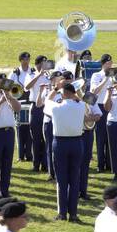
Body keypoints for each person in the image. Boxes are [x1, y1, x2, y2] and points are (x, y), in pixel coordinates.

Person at [45, 82, 95, 222]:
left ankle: (62, 213)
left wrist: (55, 88)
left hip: (60, 143)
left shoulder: (56, 106)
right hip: (76, 143)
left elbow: (47, 100)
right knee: (74, 179)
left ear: (64, 93)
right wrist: (75, 95)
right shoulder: (80, 106)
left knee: (61, 180)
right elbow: (84, 101)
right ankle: (73, 213)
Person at [24, 55, 51, 174]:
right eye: (44, 63)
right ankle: (36, 164)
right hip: (35, 107)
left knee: (46, 137)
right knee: (36, 137)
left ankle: (45, 164)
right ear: (39, 64)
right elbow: (26, 87)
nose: (46, 65)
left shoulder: (48, 76)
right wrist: (39, 75)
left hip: (46, 107)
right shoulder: (31, 74)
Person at [88, 54, 114, 173]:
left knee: (110, 136)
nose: (110, 65)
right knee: (100, 137)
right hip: (99, 106)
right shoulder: (96, 75)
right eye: (108, 63)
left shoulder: (113, 76)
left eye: (111, 63)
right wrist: (105, 79)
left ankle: (110, 163)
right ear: (103, 64)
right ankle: (100, 163)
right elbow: (94, 91)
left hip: (111, 106)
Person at [10, 52, 35, 162]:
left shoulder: (33, 71)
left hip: (30, 101)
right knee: (20, 128)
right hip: (19, 101)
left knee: (30, 128)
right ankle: (20, 155)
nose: (26, 61)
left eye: (28, 59)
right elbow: (10, 87)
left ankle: (29, 154)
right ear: (20, 60)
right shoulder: (15, 73)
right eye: (24, 59)